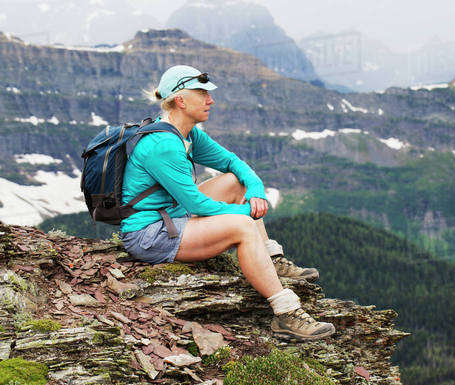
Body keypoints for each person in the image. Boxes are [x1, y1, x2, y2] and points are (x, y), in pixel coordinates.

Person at [119, 65, 335, 341]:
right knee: (243, 227)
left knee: (235, 182)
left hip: (173, 218)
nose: (211, 100)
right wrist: (248, 211)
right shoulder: (163, 145)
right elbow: (198, 205)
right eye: (203, 94)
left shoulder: (187, 133)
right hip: (150, 235)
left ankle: (272, 260)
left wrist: (255, 190)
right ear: (181, 101)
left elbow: (232, 162)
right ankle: (286, 314)